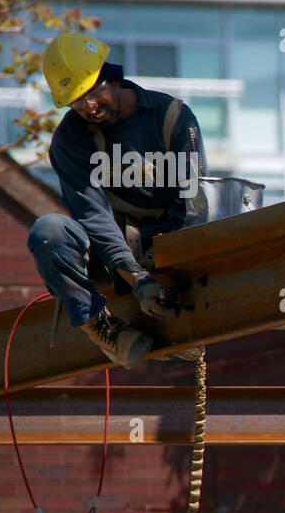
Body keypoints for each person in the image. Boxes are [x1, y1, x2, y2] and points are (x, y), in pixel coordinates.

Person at [27, 32, 205, 368]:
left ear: (113, 77)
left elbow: (194, 202)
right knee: (48, 232)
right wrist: (136, 278)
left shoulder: (171, 117)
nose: (89, 107)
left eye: (94, 93)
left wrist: (173, 270)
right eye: (77, 102)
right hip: (110, 250)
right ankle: (100, 326)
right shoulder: (70, 140)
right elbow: (93, 217)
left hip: (170, 242)